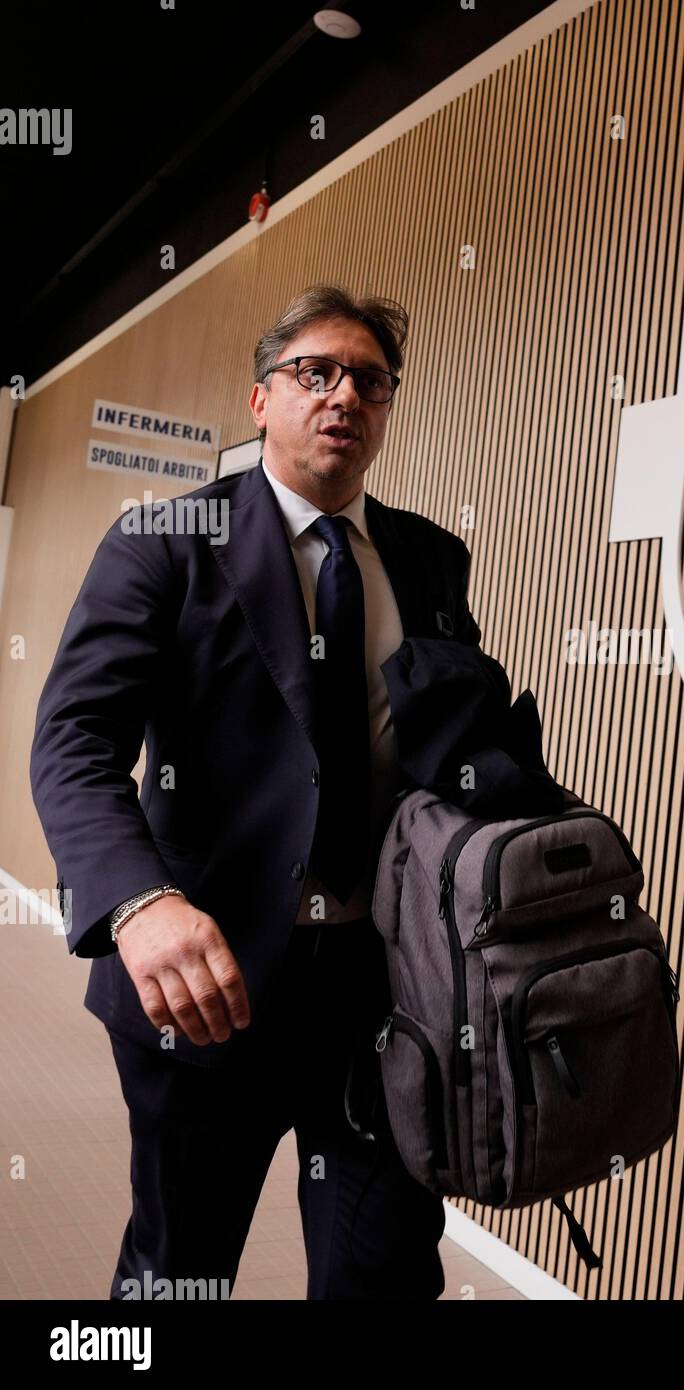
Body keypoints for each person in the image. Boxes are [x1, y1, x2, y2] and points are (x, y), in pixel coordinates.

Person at [29, 282, 483, 1300]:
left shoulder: (429, 559)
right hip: (205, 990)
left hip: (379, 995)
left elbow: (462, 746)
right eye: (313, 372)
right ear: (260, 401)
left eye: (368, 380)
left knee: (384, 1273)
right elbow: (72, 740)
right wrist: (139, 903)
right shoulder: (165, 538)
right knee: (178, 1270)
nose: (342, 396)